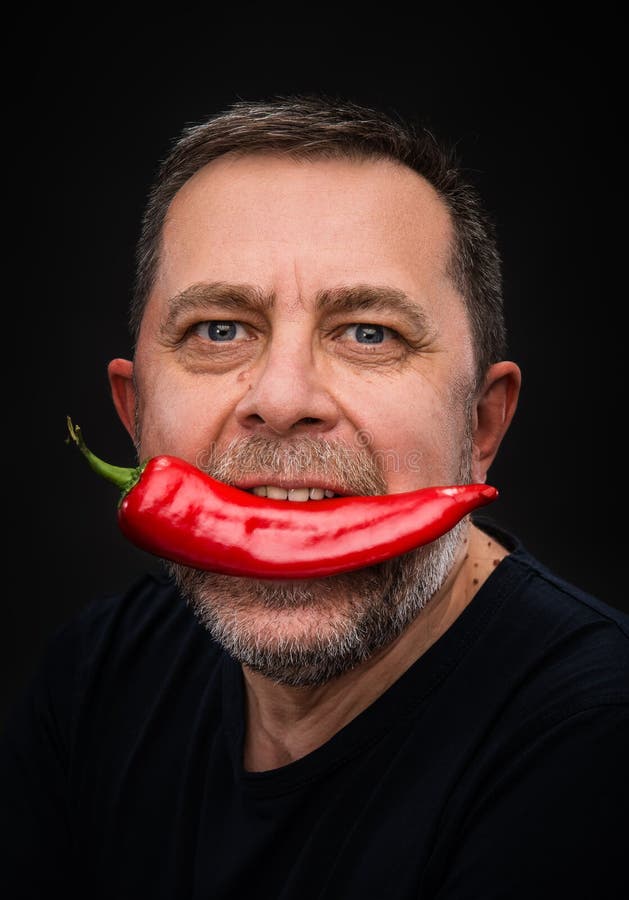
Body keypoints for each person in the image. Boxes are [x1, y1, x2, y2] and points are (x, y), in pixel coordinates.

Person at [2, 95, 627, 899]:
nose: (283, 395)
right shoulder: (95, 677)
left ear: (481, 424)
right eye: (219, 329)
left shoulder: (595, 743)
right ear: (136, 416)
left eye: (369, 332)